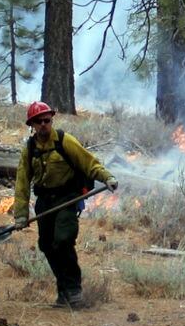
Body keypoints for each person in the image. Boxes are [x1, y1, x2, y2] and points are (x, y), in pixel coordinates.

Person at [10, 101, 116, 308]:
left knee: (63, 239)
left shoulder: (65, 141)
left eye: (47, 120)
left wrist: (107, 177)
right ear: (32, 124)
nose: (43, 124)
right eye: (39, 121)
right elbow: (22, 182)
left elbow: (89, 162)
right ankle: (63, 293)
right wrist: (20, 215)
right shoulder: (29, 149)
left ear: (51, 120)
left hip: (67, 199)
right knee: (47, 245)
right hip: (44, 203)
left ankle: (74, 290)